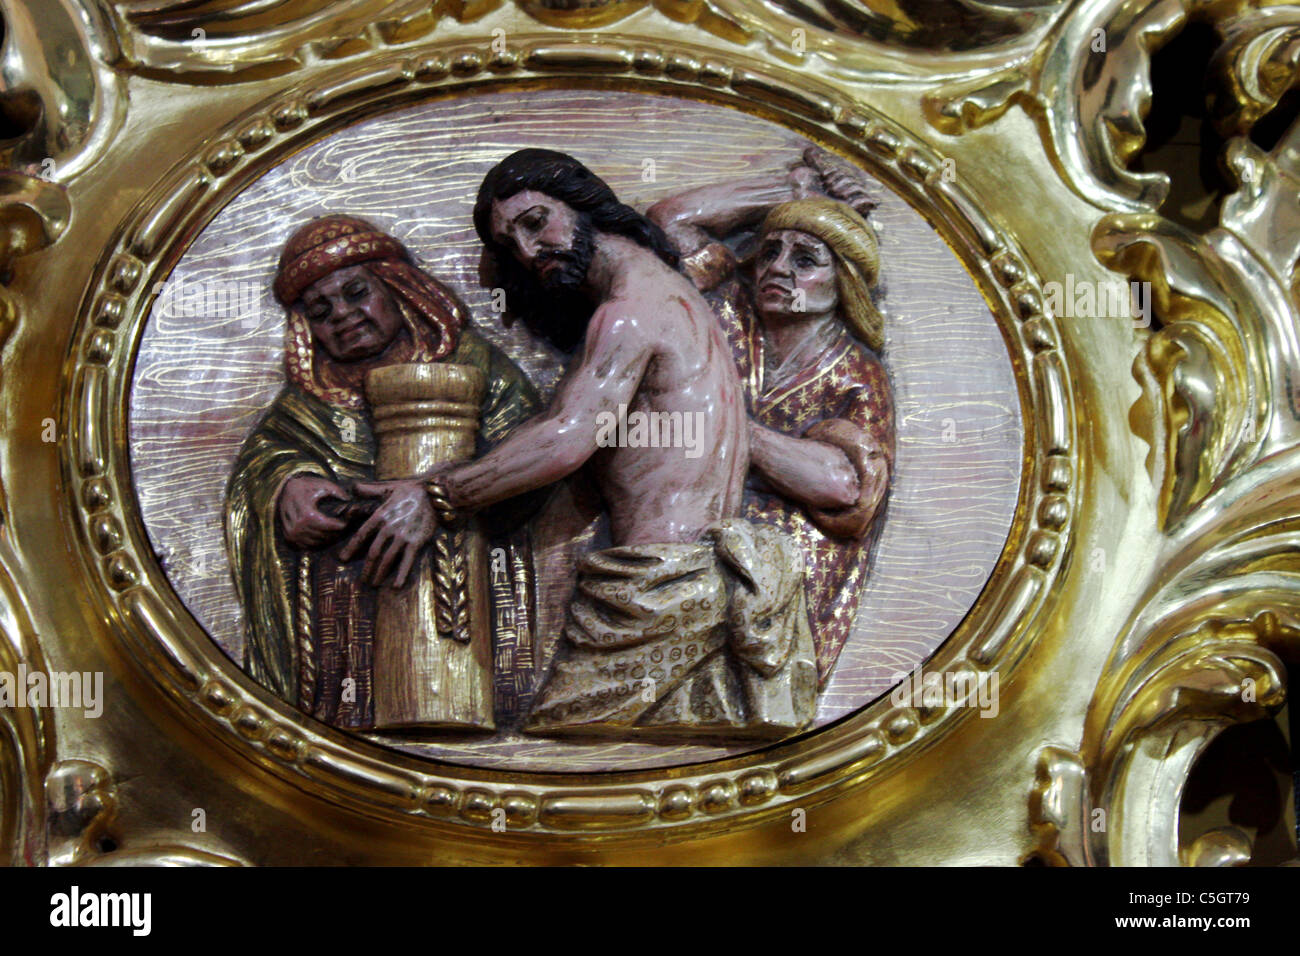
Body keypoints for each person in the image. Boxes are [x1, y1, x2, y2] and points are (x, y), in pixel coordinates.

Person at [431, 149, 818, 737]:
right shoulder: (675, 283)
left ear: (588, 206)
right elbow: (679, 214)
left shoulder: (627, 314)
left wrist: (439, 494)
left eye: (536, 223)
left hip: (651, 590)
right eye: (511, 245)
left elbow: (566, 438)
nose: (530, 253)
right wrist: (797, 185)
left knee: (564, 766)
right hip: (706, 581)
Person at [224, 215, 541, 729]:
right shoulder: (311, 404)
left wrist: (445, 493)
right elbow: (264, 461)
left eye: (355, 293)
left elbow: (529, 453)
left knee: (459, 699)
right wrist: (287, 484)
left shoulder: (478, 368)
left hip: (470, 588)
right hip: (349, 613)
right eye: (321, 311)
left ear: (399, 290)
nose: (343, 316)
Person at [649, 154, 895, 685]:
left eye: (805, 259)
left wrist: (721, 423)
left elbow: (845, 488)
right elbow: (671, 222)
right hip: (691, 548)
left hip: (788, 587)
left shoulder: (854, 373)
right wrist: (792, 189)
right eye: (768, 252)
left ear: (844, 281)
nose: (778, 267)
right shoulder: (725, 313)